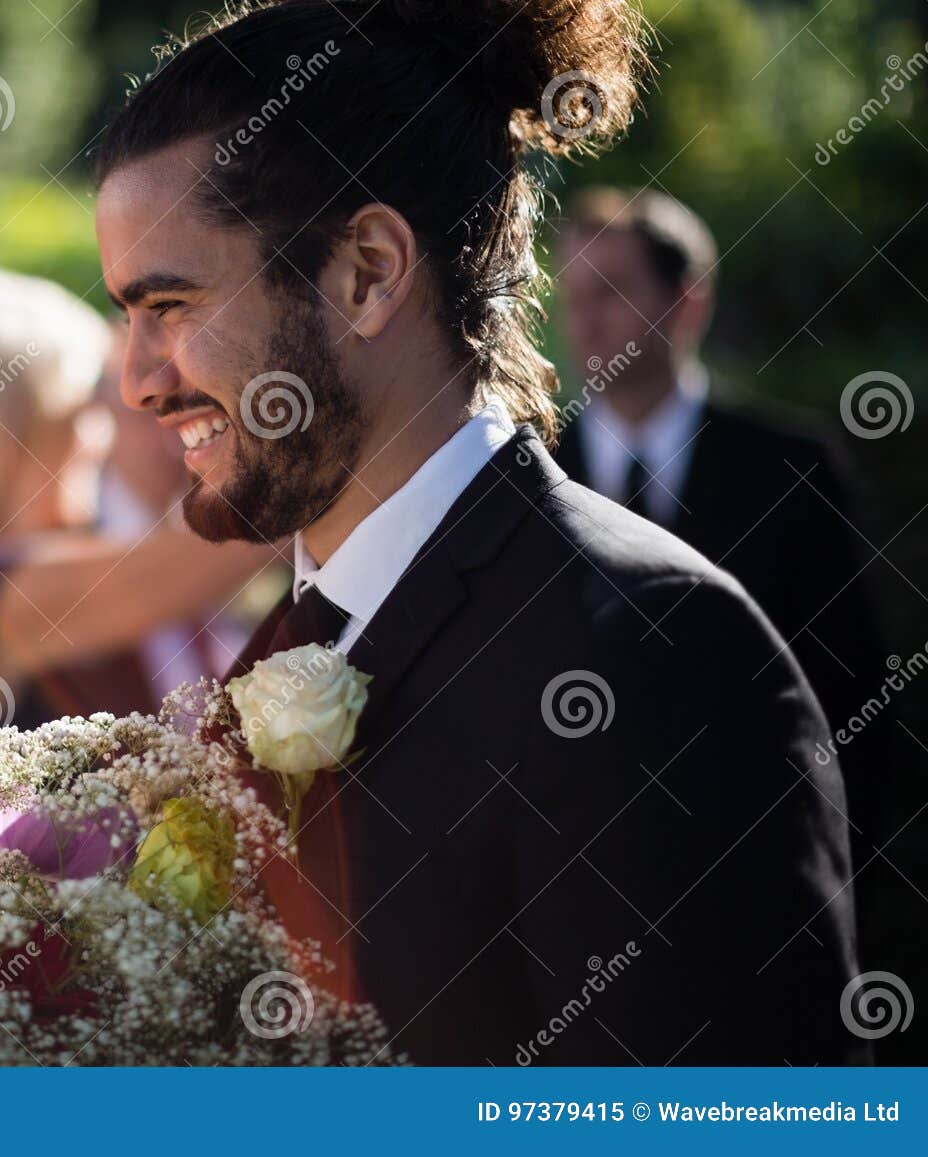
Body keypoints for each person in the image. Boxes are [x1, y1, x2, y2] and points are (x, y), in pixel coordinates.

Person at [94, 0, 863, 1063]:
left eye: (170, 305)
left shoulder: (650, 648)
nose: (137, 381)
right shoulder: (287, 644)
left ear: (366, 271)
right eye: (124, 316)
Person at [551, 188, 894, 916]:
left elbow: (852, 693)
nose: (586, 319)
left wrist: (834, 897)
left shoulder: (789, 471)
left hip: (761, 891)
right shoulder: (526, 479)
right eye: (573, 295)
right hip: (572, 898)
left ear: (688, 302)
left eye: (611, 291)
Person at [0, 267, 272, 726]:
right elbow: (222, 552)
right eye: (87, 409)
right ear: (13, 435)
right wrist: (306, 481)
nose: (102, 434)